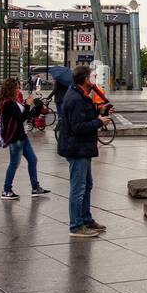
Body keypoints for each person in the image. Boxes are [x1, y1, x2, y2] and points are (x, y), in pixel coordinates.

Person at [57, 64, 111, 236]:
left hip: (83, 148)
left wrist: (100, 111)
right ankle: (76, 226)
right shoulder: (75, 98)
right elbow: (78, 127)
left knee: (87, 185)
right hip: (76, 148)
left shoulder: (81, 95)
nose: (95, 79)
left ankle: (86, 219)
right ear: (86, 79)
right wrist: (100, 122)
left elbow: (84, 115)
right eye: (93, 76)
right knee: (78, 188)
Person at [0, 78, 51, 200]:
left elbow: (26, 115)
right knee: (14, 164)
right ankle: (6, 190)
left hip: (22, 136)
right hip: (15, 138)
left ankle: (35, 187)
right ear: (10, 89)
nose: (19, 89)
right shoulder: (8, 103)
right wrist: (27, 104)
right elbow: (20, 118)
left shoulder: (14, 101)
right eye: (16, 87)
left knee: (33, 160)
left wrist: (34, 107)